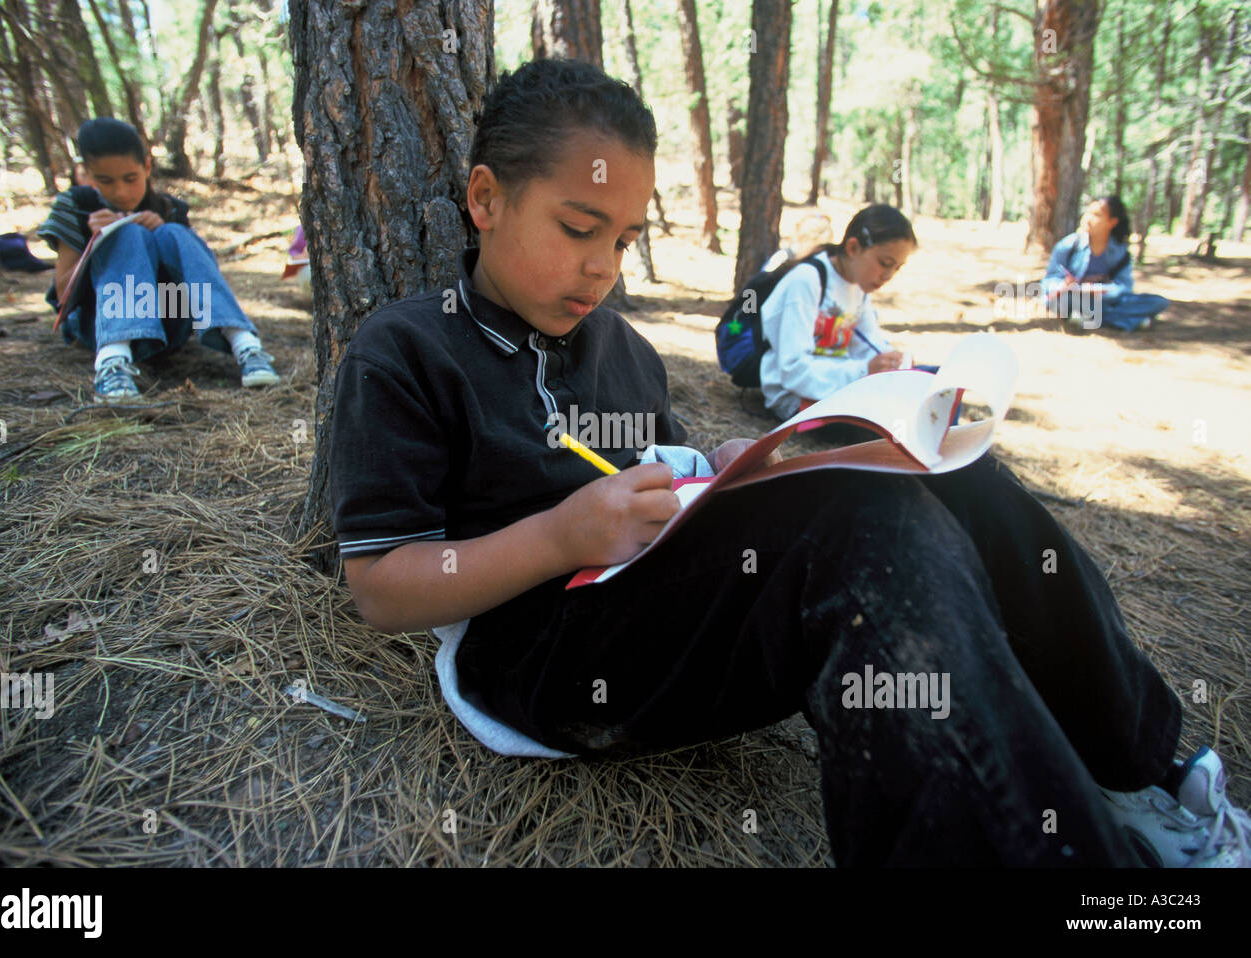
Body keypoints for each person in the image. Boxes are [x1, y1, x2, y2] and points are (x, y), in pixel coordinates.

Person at [329, 59, 1248, 867]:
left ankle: (1146, 772)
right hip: (537, 653)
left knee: (931, 463)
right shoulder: (407, 351)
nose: (603, 268)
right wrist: (559, 534)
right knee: (854, 529)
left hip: (654, 595)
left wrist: (724, 464)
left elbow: (649, 473)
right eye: (578, 228)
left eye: (621, 240)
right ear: (485, 199)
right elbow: (378, 585)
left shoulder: (623, 350)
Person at [38, 118, 279, 401]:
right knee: (127, 236)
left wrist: (161, 232)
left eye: (131, 179)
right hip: (96, 324)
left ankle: (245, 344)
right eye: (105, 181)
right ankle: (112, 361)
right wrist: (98, 243)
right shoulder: (77, 206)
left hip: (168, 326)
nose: (121, 192)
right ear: (86, 174)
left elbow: (199, 276)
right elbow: (63, 297)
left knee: (173, 233)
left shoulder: (169, 208)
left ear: (147, 168)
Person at [759, 205, 917, 423]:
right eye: (885, 263)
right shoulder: (807, 281)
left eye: (897, 268)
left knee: (929, 389)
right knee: (891, 429)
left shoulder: (858, 288)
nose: (889, 275)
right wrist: (865, 371)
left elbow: (870, 345)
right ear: (853, 248)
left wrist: (892, 362)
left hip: (838, 393)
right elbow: (793, 370)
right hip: (797, 401)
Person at [1042, 196, 1169, 333]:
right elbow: (1048, 282)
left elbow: (1124, 287)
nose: (1088, 219)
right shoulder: (1068, 245)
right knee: (1066, 302)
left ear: (1112, 222)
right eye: (1087, 213)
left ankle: (1090, 319)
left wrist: (1098, 289)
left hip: (1104, 300)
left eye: (1096, 215)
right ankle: (1132, 320)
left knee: (1159, 302)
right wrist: (1064, 285)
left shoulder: (1120, 252)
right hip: (1073, 298)